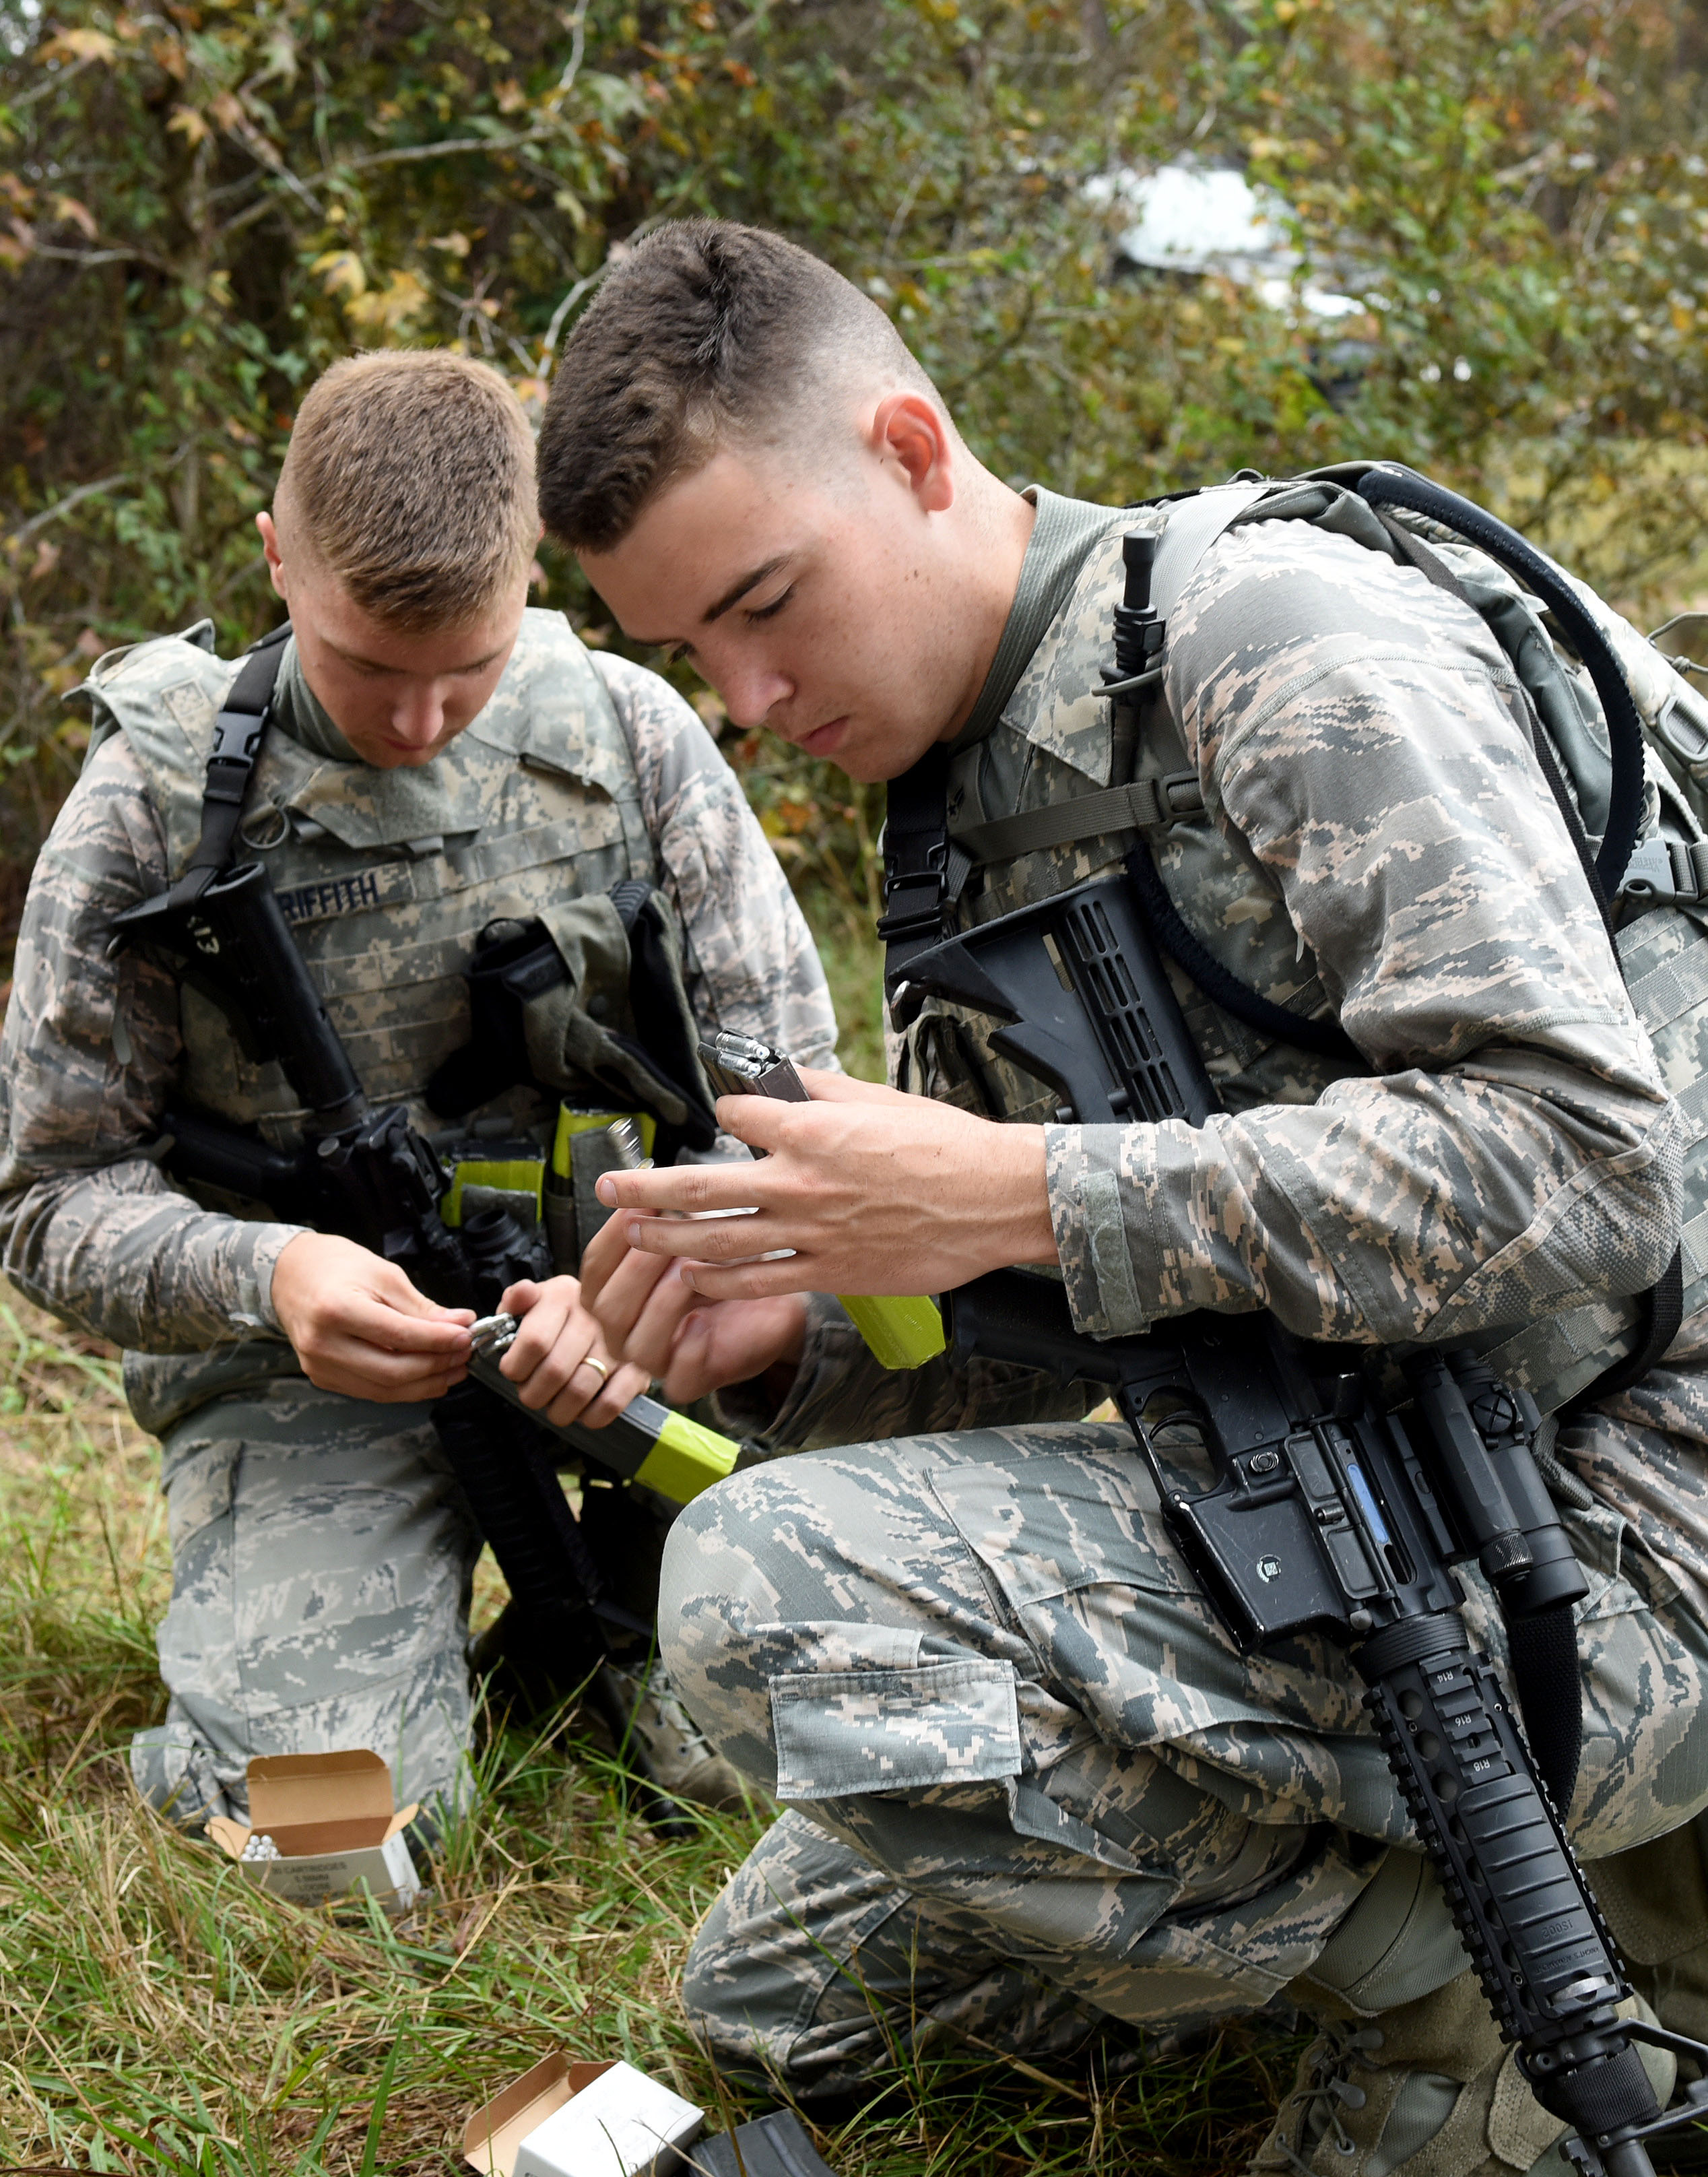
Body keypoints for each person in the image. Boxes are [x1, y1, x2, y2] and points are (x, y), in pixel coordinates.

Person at [533, 220, 1708, 2176]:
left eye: (766, 603)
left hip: (1617, 1520)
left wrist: (1030, 1191)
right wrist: (798, 1341)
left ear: (910, 450)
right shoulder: (958, 804)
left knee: (756, 1601)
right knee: (777, 1999)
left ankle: (1487, 1990)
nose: (746, 700)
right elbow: (1039, 1309)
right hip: (1337, 1486)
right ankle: (1414, 1903)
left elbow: (1594, 1165)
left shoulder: (1278, 640)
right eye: (690, 657)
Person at [0, 348, 839, 1830]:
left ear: (534, 569)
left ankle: (619, 1636)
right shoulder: (150, 800)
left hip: (643, 1332)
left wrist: (664, 1274)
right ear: (275, 560)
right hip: (313, 1374)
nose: (418, 721)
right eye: (367, 665)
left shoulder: (629, 738)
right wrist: (272, 1275)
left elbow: (784, 1087)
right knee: (335, 1820)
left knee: (792, 1757)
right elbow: (50, 1197)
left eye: (471, 663)